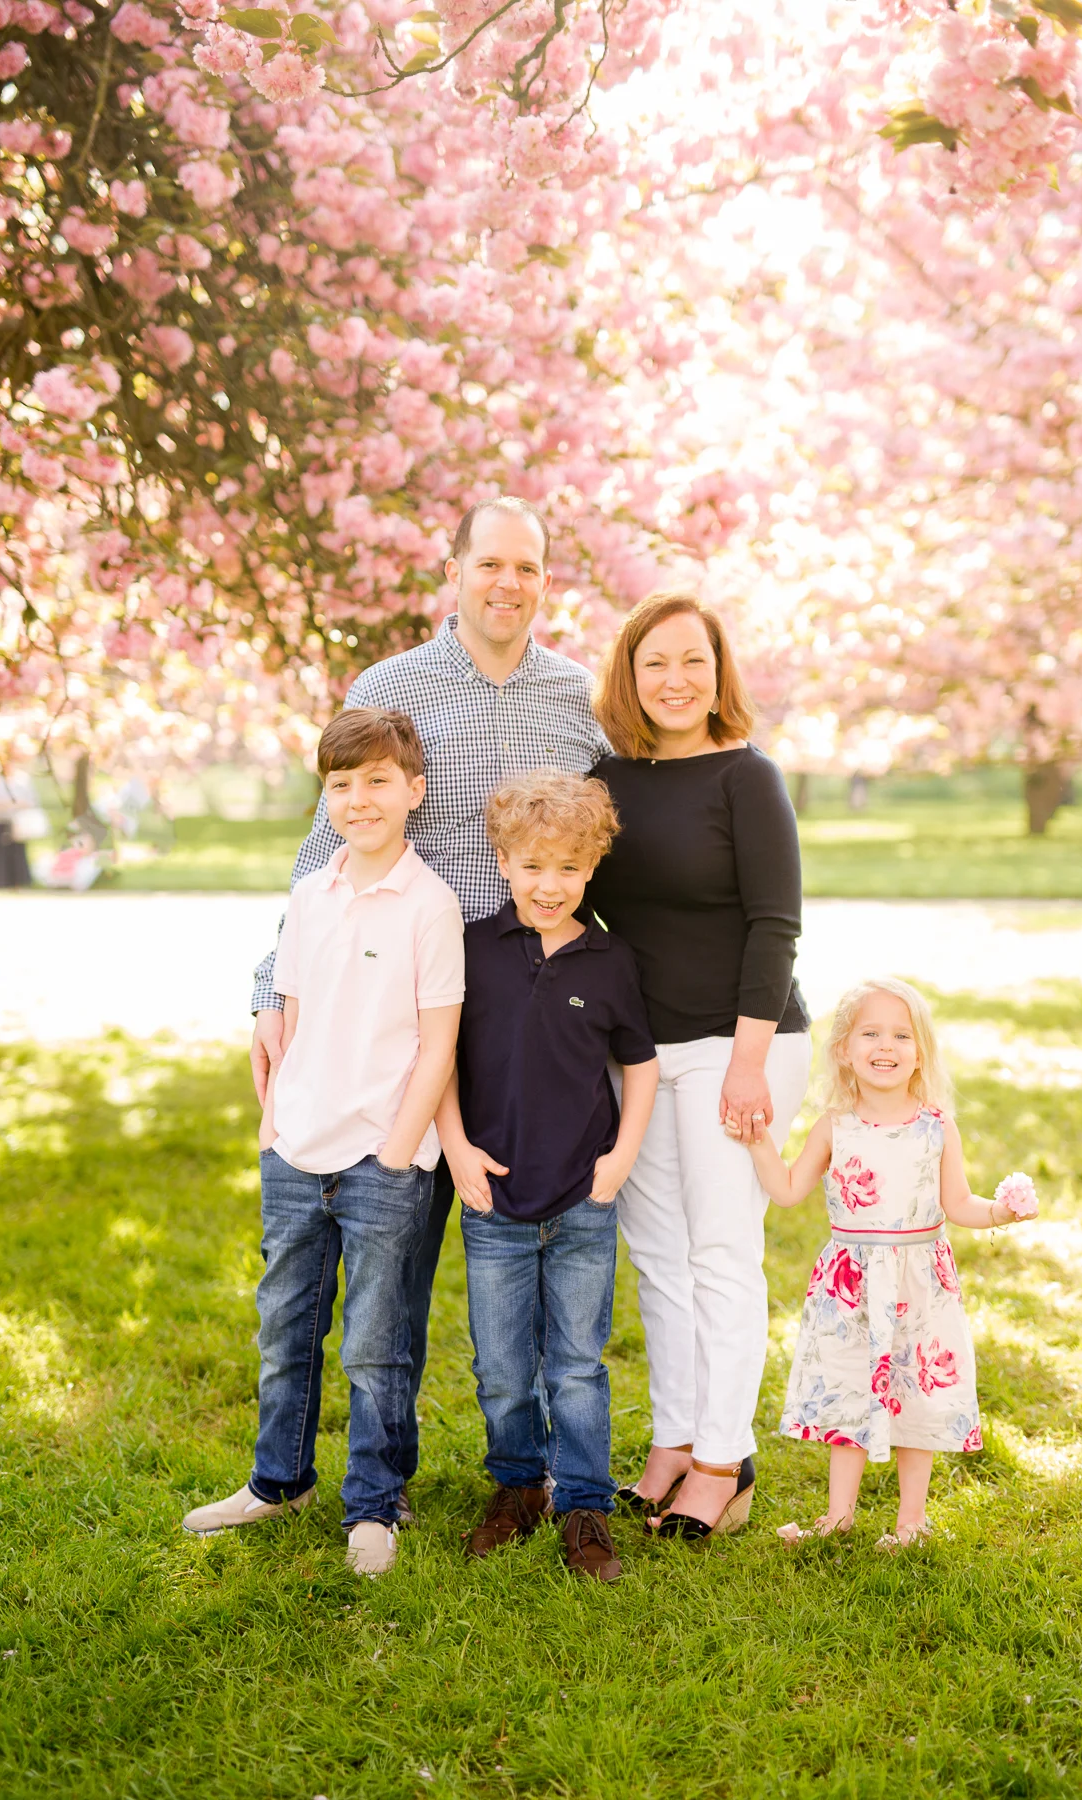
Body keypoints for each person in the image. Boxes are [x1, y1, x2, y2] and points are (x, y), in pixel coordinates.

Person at [248, 498, 611, 1513]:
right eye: (489, 563)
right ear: (455, 571)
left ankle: (548, 1469)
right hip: (388, 1009)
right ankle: (381, 1484)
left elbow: (605, 842)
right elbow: (325, 852)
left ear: (545, 581)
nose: (508, 583)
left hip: (524, 1015)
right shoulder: (391, 685)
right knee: (389, 1258)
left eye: (527, 568)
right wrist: (264, 994)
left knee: (539, 1251)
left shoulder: (579, 699)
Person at [184, 707, 465, 1576]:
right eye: (341, 783)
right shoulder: (310, 896)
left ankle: (375, 1503)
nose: (358, 798)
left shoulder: (431, 904)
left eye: (378, 780)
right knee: (286, 1325)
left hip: (385, 1156)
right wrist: (278, 1126)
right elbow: (294, 1016)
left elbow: (439, 1041)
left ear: (414, 792)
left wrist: (399, 1147)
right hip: (298, 1151)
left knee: (378, 1341)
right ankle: (279, 1481)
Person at [586, 590, 812, 1542]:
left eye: (693, 661)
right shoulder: (607, 778)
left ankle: (726, 1460)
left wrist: (747, 1064)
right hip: (640, 1053)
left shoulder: (746, 777)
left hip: (741, 1044)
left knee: (721, 1256)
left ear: (719, 672)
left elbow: (777, 923)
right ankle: (672, 1445)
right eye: (655, 664)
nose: (675, 681)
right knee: (659, 1260)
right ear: (629, 678)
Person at [436, 771, 658, 1582]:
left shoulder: (609, 961)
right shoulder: (470, 951)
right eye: (532, 866)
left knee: (576, 1364)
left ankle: (586, 1505)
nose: (550, 884)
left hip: (581, 1200)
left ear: (591, 868)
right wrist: (455, 1146)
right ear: (501, 862)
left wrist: (619, 1158)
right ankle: (518, 1486)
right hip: (493, 1197)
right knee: (499, 1366)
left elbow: (640, 1063)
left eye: (568, 867)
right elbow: (439, 1059)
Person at [735, 978, 1038, 1551]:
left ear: (920, 1052)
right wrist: (757, 1143)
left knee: (915, 1395)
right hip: (849, 1285)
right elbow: (788, 1188)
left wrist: (1001, 1211)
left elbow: (959, 1204)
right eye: (870, 1033)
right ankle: (838, 1515)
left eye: (902, 1035)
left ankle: (911, 1522)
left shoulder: (934, 1125)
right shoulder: (835, 1125)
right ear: (845, 1049)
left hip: (920, 1283)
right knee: (850, 1389)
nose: (886, 1045)